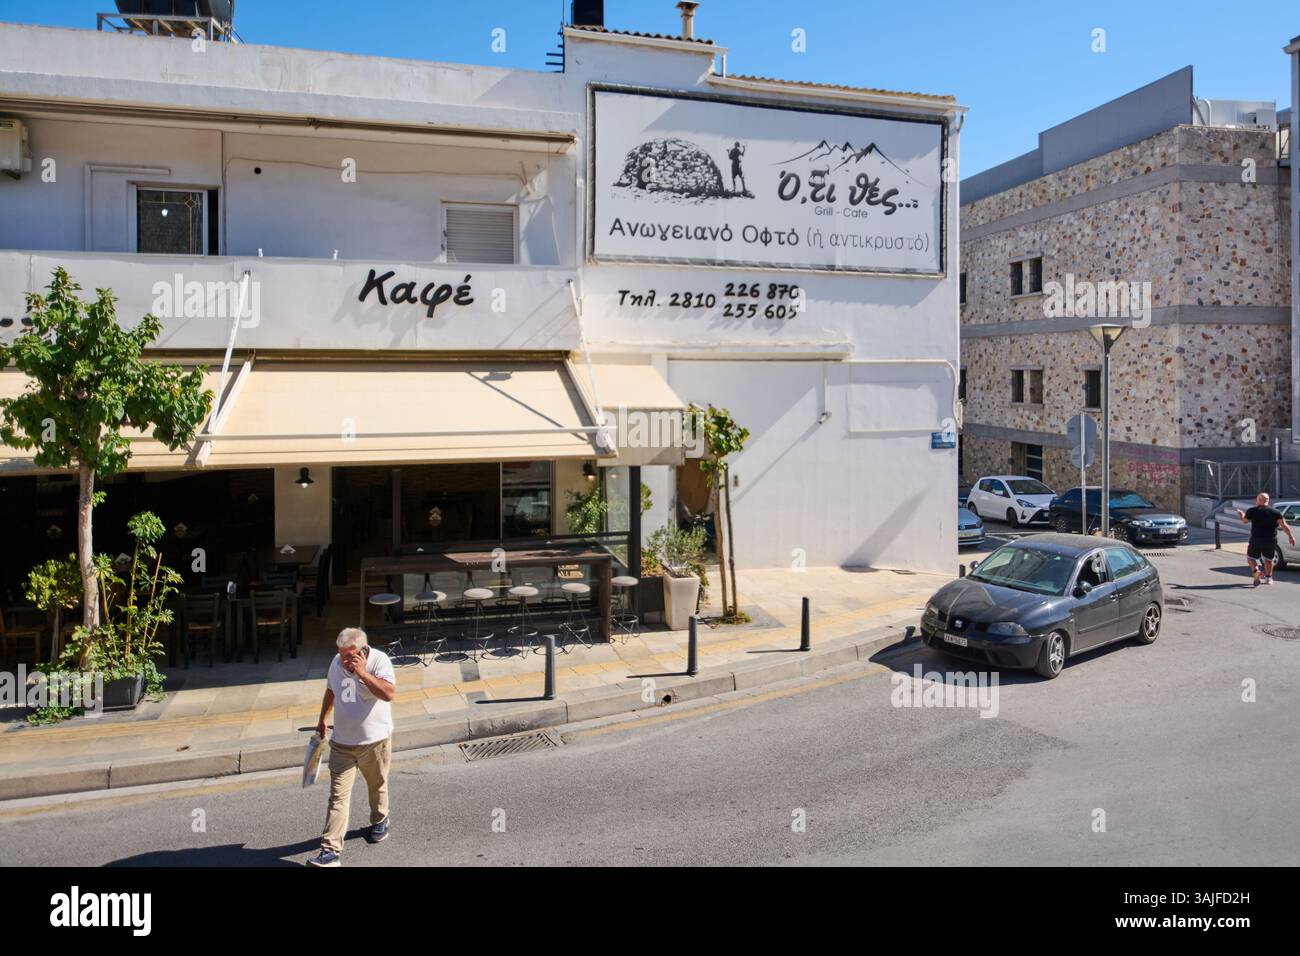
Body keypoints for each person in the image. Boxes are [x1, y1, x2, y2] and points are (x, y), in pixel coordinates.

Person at [306, 627, 396, 867]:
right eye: (341, 654)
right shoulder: (336, 663)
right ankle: (330, 851)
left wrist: (362, 673)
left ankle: (380, 819)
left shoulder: (379, 661)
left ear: (364, 650)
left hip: (374, 742)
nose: (344, 660)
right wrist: (322, 719)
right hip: (342, 744)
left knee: (377, 785)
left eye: (350, 655)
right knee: (337, 796)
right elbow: (330, 690)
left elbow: (388, 694)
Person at [1235, 492, 1296, 586]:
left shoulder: (1252, 511)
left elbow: (1244, 521)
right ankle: (1268, 578)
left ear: (1258, 500)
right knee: (1268, 560)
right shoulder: (1275, 512)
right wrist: (1291, 536)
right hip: (1270, 540)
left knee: (1250, 558)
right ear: (1267, 501)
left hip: (1255, 540)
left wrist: (1241, 514)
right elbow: (1284, 525)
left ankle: (1256, 571)